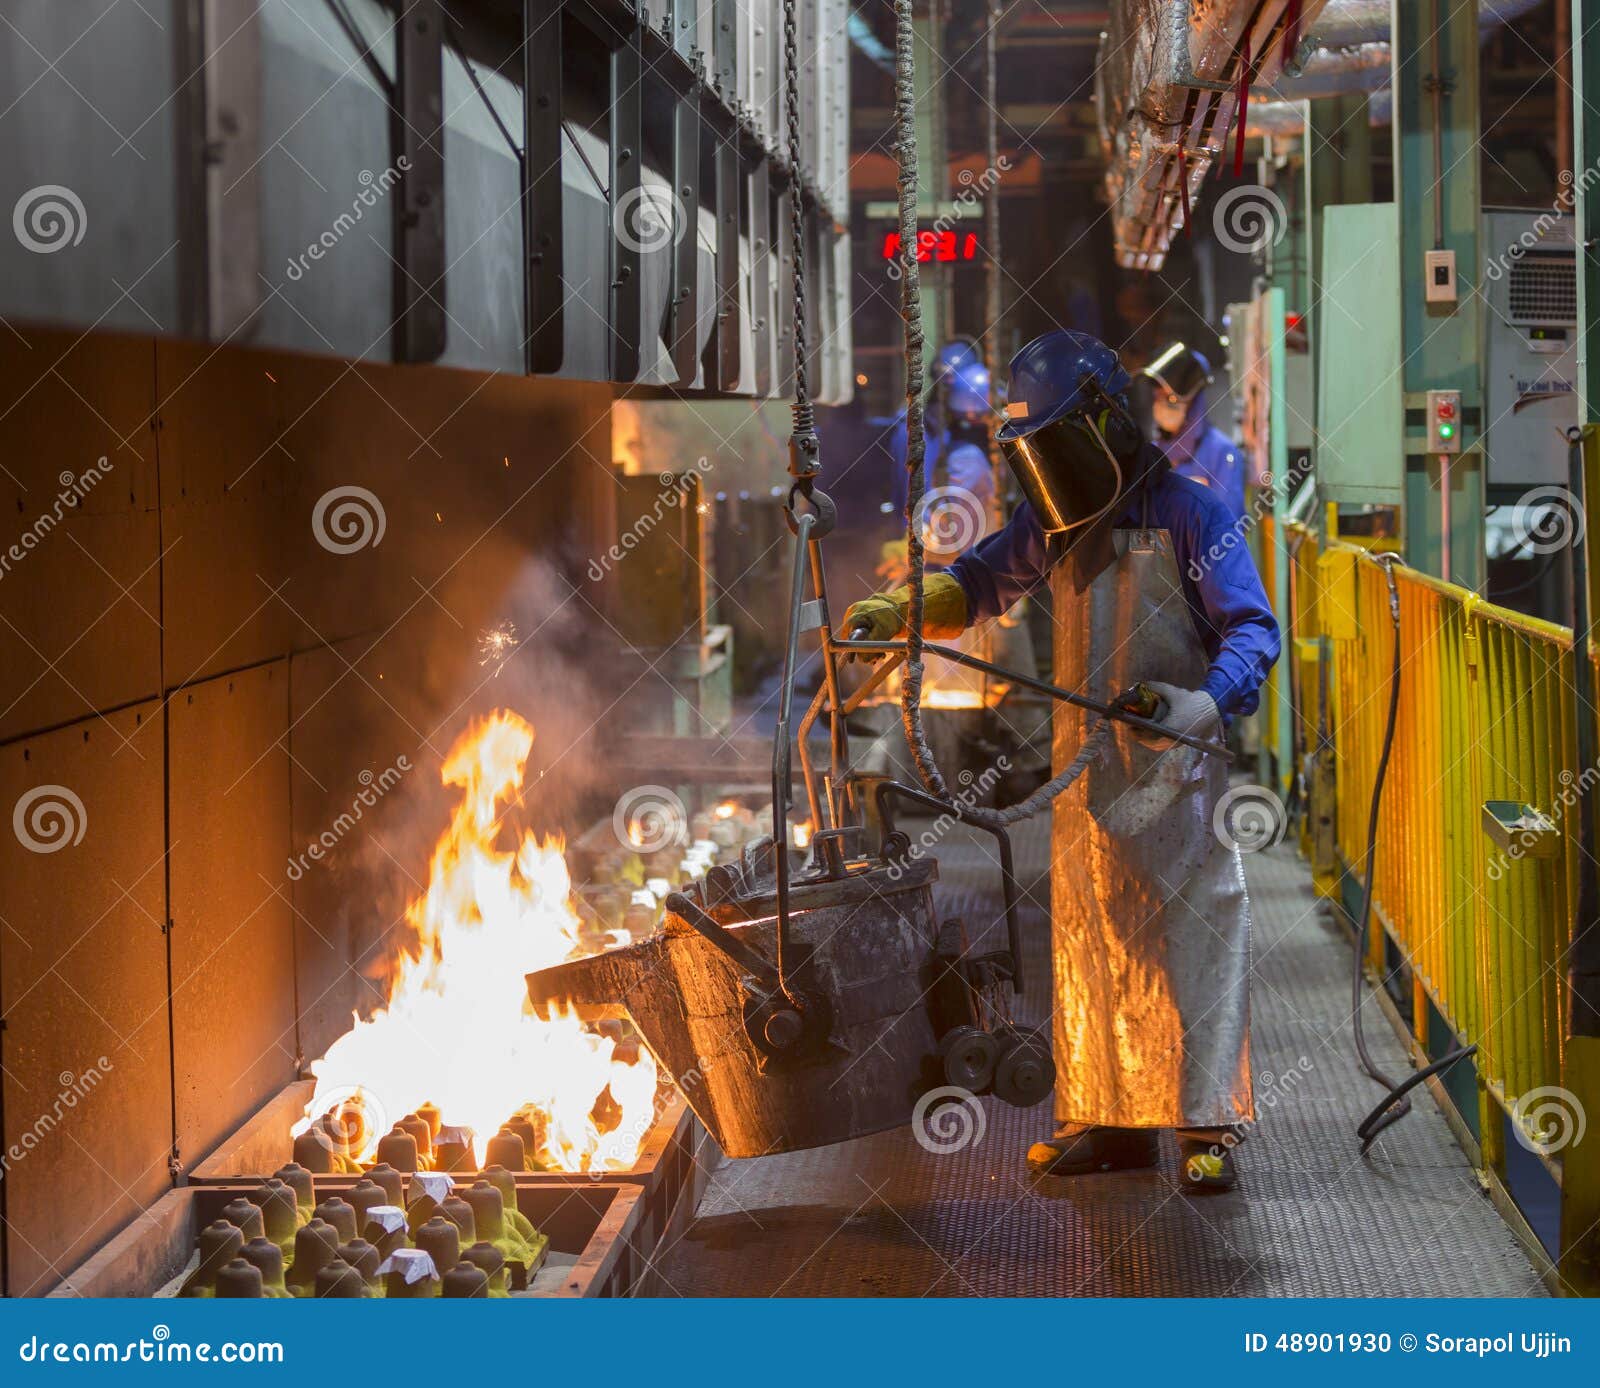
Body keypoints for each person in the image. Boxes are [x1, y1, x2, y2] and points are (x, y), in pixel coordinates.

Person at [844, 329, 1280, 1191]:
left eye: (1053, 443)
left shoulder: (1197, 514)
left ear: (1101, 422)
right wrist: (906, 609)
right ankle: (1111, 1122)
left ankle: (1205, 1125)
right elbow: (980, 582)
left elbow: (1254, 629)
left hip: (1175, 776)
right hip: (1089, 775)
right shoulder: (1057, 521)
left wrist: (1204, 701)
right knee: (1092, 943)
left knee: (1189, 942)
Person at [1141, 342, 1247, 522]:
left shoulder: (1221, 453)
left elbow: (1229, 528)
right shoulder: (1151, 454)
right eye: (1158, 396)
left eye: (1171, 398)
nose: (1161, 405)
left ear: (1193, 404)